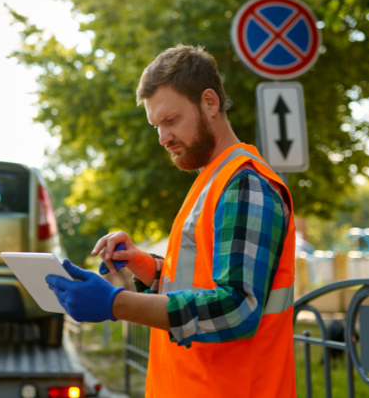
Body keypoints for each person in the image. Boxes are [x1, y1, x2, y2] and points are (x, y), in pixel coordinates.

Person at [46, 45, 296, 398]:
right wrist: (143, 265)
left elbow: (239, 307)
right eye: (156, 125)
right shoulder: (213, 179)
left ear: (210, 103)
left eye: (171, 120)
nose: (163, 138)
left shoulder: (245, 184)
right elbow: (200, 281)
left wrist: (116, 303)